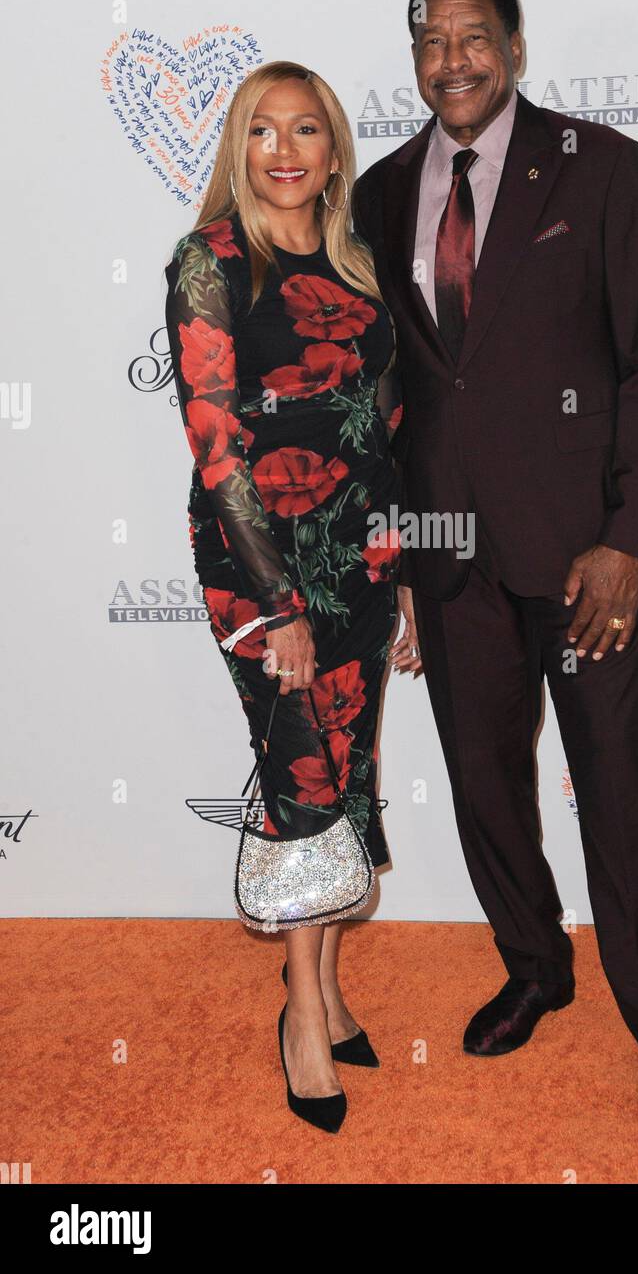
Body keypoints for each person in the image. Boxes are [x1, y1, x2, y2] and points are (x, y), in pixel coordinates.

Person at [352, 0, 638, 1132]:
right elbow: (396, 394)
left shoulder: (601, 168)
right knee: (483, 783)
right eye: (428, 41)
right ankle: (534, 963)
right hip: (449, 548)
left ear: (511, 45)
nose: (450, 58)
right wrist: (406, 555)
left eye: (472, 36)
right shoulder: (380, 190)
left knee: (616, 788)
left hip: (583, 559)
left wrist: (625, 540)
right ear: (413, 58)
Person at [163, 61, 418, 1134]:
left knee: (345, 769)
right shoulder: (210, 263)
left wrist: (396, 577)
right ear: (238, 147)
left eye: (305, 129)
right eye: (260, 130)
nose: (282, 150)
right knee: (302, 776)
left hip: (357, 560)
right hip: (261, 569)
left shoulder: (359, 261)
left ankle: (323, 984)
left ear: (331, 150)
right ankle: (302, 1012)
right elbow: (218, 451)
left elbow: (386, 431)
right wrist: (281, 607)